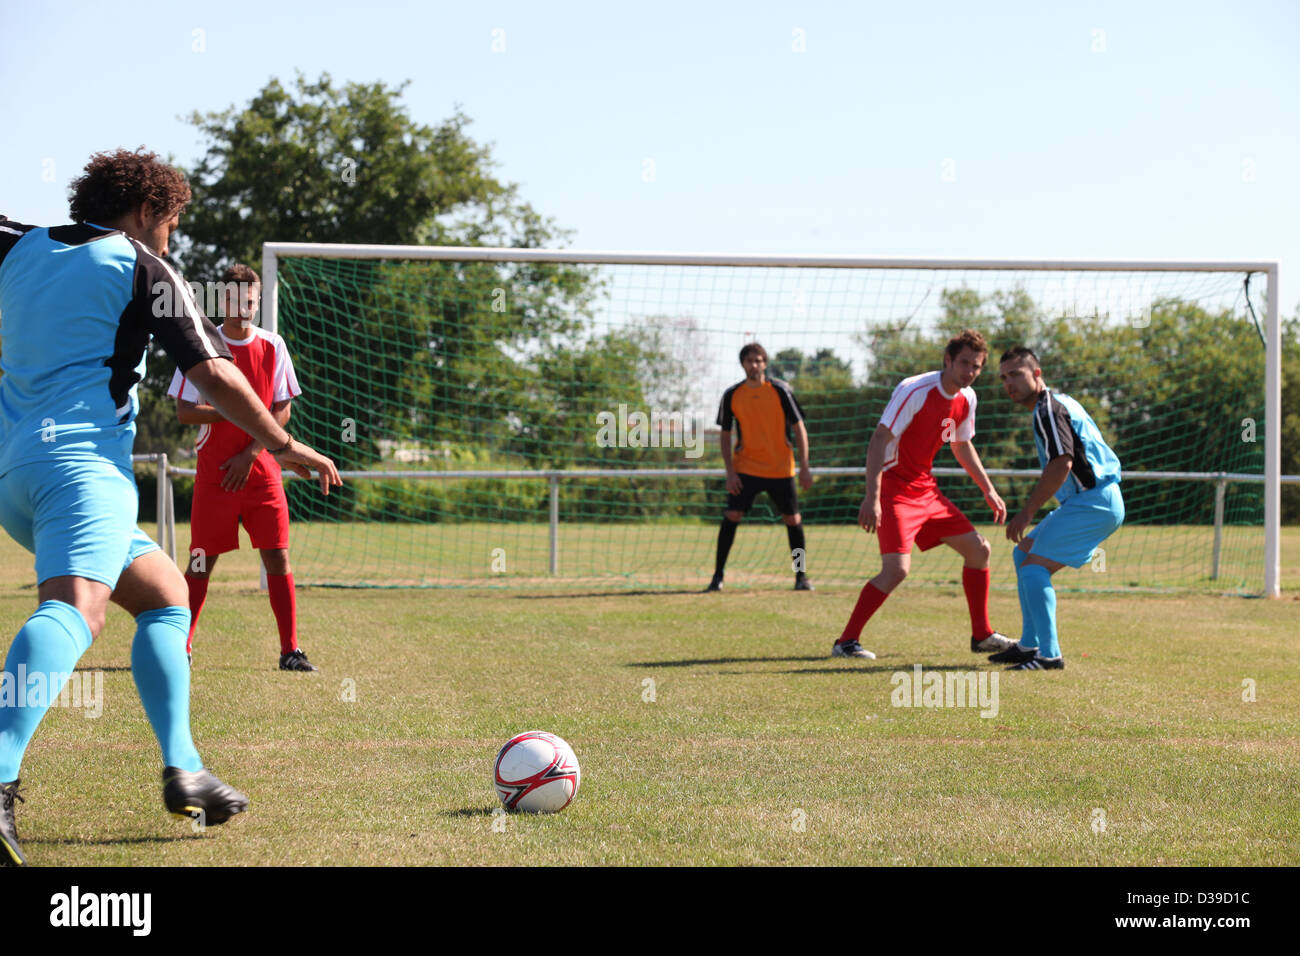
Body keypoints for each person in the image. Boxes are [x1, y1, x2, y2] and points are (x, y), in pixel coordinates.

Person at [0, 148, 341, 866]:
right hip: (81, 476)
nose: (171, 239)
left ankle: (185, 768)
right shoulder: (144, 267)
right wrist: (283, 443)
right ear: (149, 211)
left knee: (163, 596)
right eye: (172, 222)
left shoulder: (18, 244)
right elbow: (213, 373)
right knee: (77, 609)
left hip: (16, 477)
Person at [168, 264, 316, 671]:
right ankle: (180, 647)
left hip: (262, 471)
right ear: (223, 300)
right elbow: (184, 413)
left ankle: (290, 651)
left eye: (250, 300)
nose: (243, 307)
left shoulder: (274, 345)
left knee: (278, 559)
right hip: (215, 475)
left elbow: (281, 409)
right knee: (200, 561)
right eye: (234, 299)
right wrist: (234, 412)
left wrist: (250, 452)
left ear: (258, 301)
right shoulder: (201, 342)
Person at [833, 329, 1014, 660]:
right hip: (894, 489)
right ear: (947, 360)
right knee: (896, 570)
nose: (969, 372)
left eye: (976, 366)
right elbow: (879, 439)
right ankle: (845, 642)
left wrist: (988, 489)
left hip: (926, 490)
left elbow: (960, 444)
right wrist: (871, 497)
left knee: (979, 550)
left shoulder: (967, 398)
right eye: (963, 363)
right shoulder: (914, 389)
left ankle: (982, 635)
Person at [992, 346, 1124, 670]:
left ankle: (1049, 655)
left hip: (1094, 503)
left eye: (1017, 374)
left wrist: (1026, 512)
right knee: (1023, 554)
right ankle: (1028, 645)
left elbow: (1062, 463)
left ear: (1037, 374)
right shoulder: (1056, 403)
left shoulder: (1047, 409)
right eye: (1004, 377)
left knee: (1034, 568)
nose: (1010, 383)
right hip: (1091, 501)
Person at [708, 342, 814, 592]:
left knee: (793, 521)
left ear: (765, 363)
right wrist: (730, 472)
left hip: (780, 469)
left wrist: (805, 466)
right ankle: (717, 576)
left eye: (758, 360)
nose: (753, 365)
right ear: (742, 364)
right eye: (749, 361)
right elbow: (725, 435)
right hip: (746, 469)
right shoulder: (732, 395)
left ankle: (801, 576)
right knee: (732, 516)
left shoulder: (780, 390)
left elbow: (799, 429)